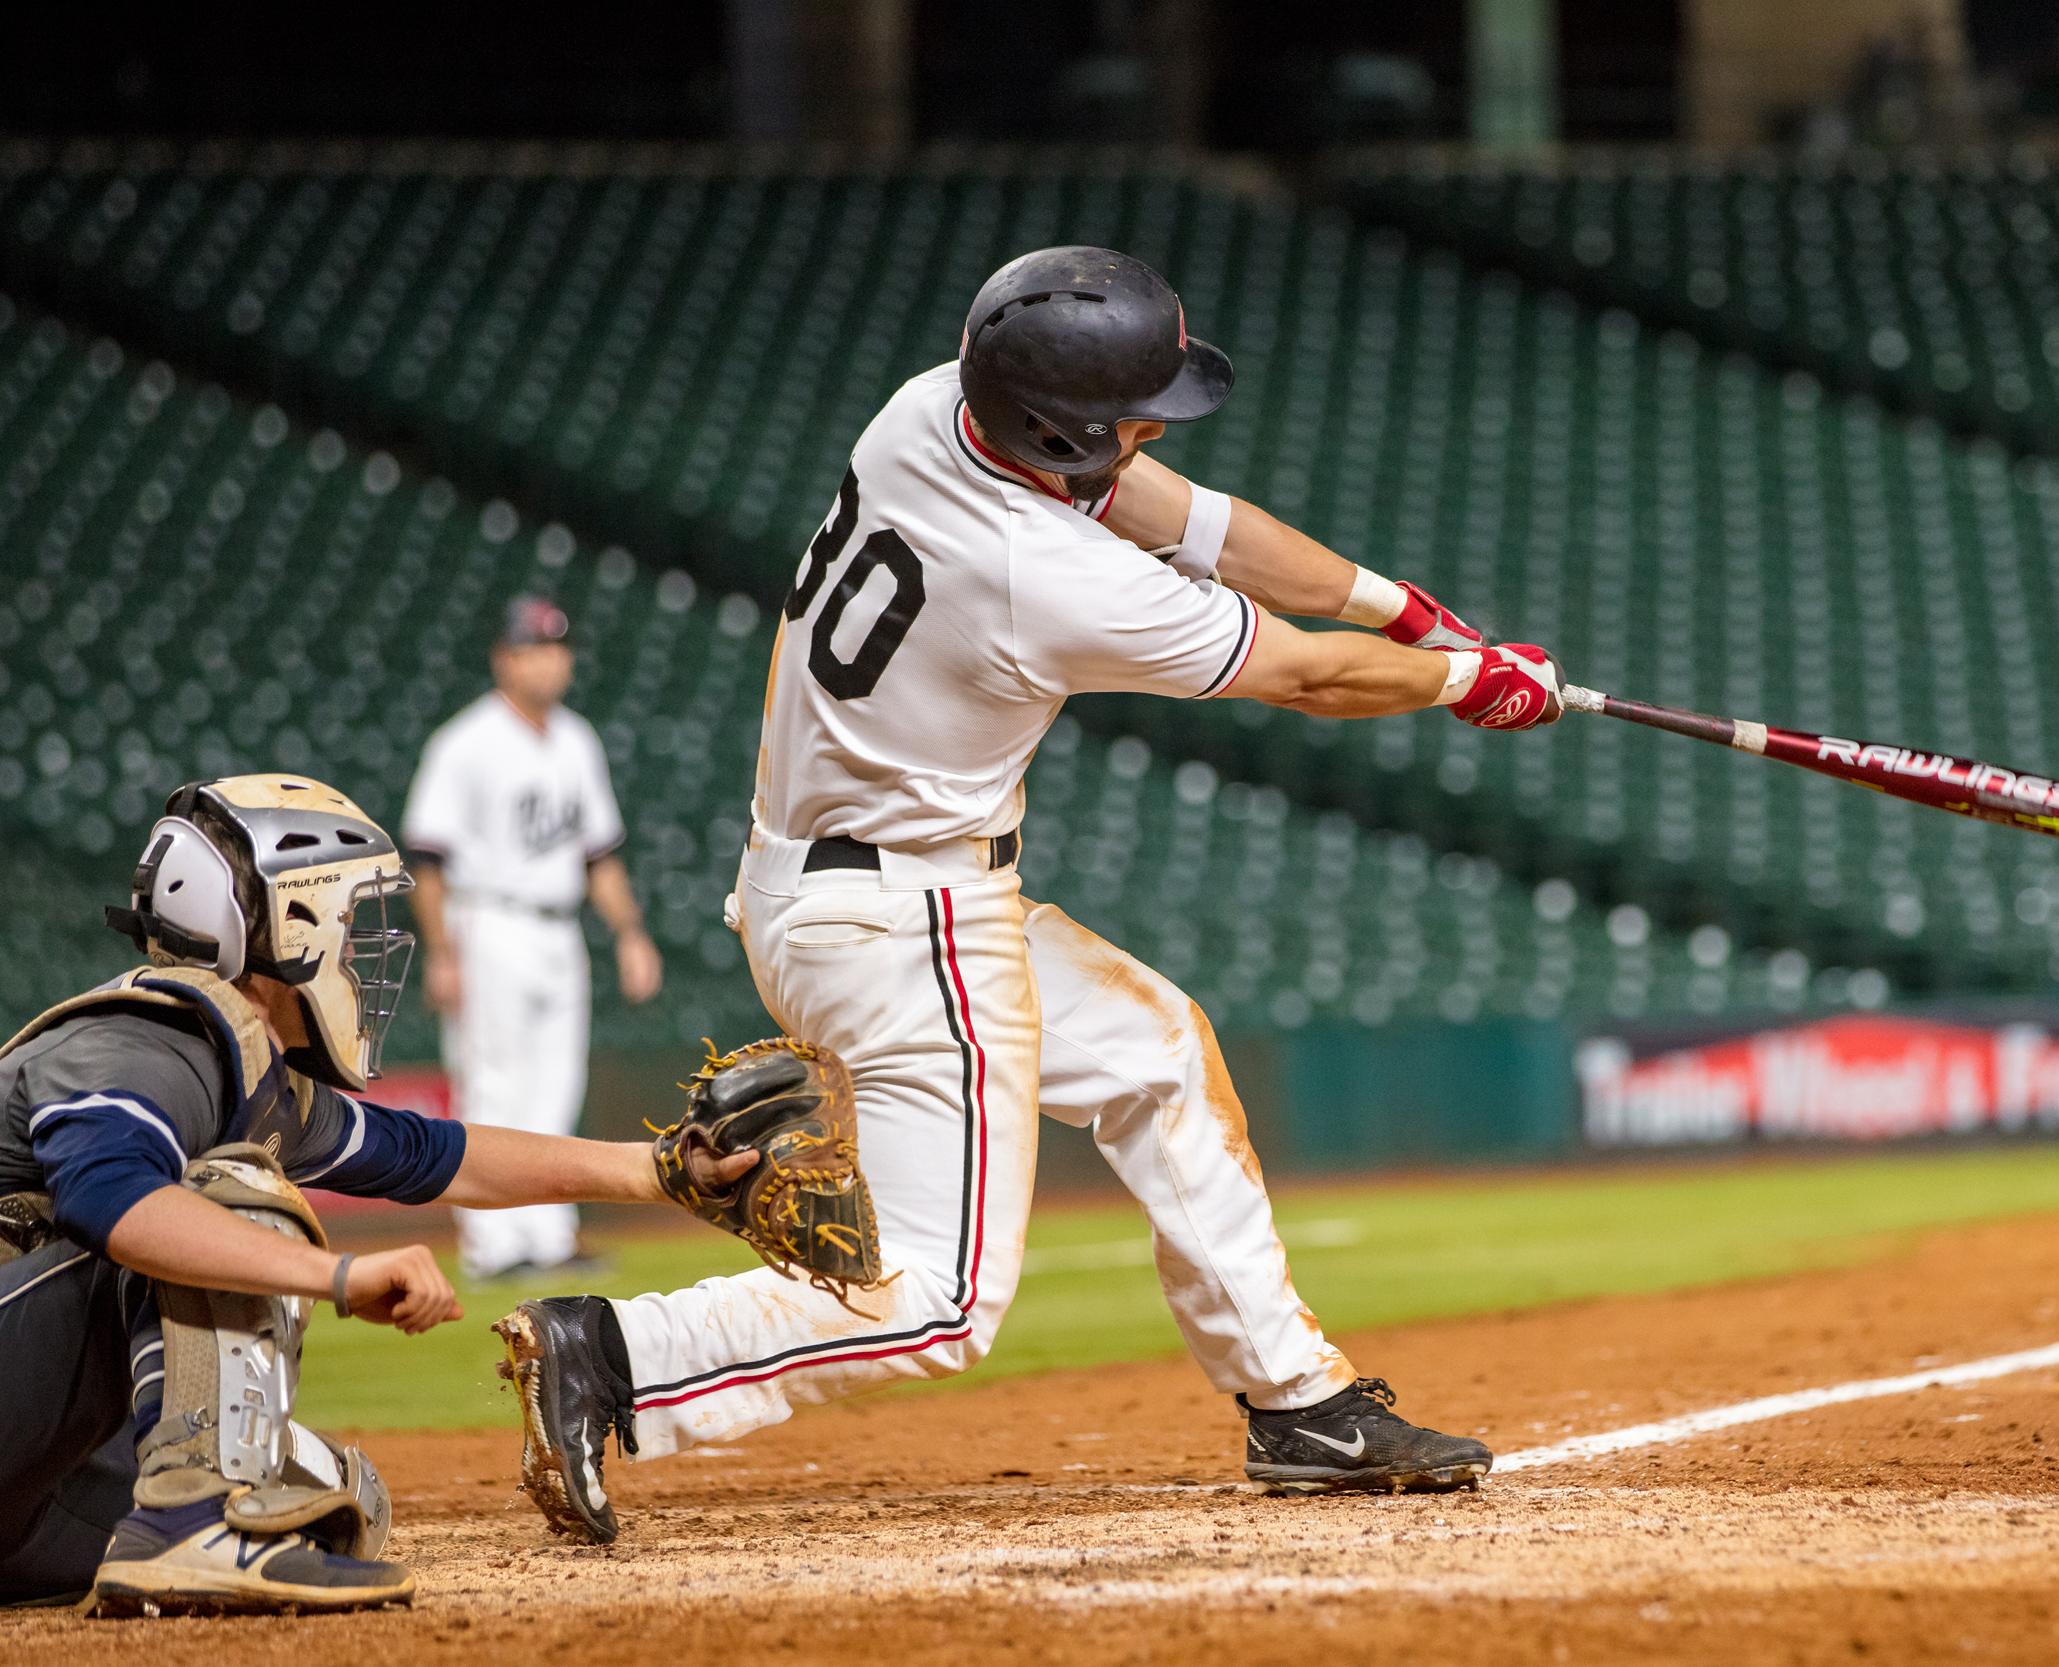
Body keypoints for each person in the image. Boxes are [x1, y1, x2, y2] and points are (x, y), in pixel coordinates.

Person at [494, 245, 1564, 1543]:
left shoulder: (924, 412)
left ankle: (1304, 1405)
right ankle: (610, 1350)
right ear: (1059, 425)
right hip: (910, 922)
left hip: (828, 885)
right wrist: (1468, 684)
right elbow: (1303, 676)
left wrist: (1411, 616)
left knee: (1158, 1049)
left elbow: (1200, 519)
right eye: (1128, 410)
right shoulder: (1043, 575)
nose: (1148, 425)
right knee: (939, 1300)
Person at [0, 776, 749, 1614]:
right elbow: (114, 1204)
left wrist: (663, 1168)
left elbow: (439, 1156)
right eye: (349, 919)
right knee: (240, 1195)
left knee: (341, 1501)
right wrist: (340, 1277)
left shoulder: (242, 1068)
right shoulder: (143, 1046)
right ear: (291, 923)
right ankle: (192, 1528)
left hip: (23, 1477)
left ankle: (190, 1524)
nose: (360, 949)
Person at [403, 597, 663, 1281]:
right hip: (489, 919)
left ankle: (548, 1235)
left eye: (557, 646)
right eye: (533, 647)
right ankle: (493, 1244)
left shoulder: (577, 740)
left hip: (559, 925)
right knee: (493, 1083)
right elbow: (427, 860)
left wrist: (630, 933)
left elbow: (599, 853)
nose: (549, 658)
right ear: (504, 658)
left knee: (556, 1086)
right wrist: (441, 950)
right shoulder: (465, 742)